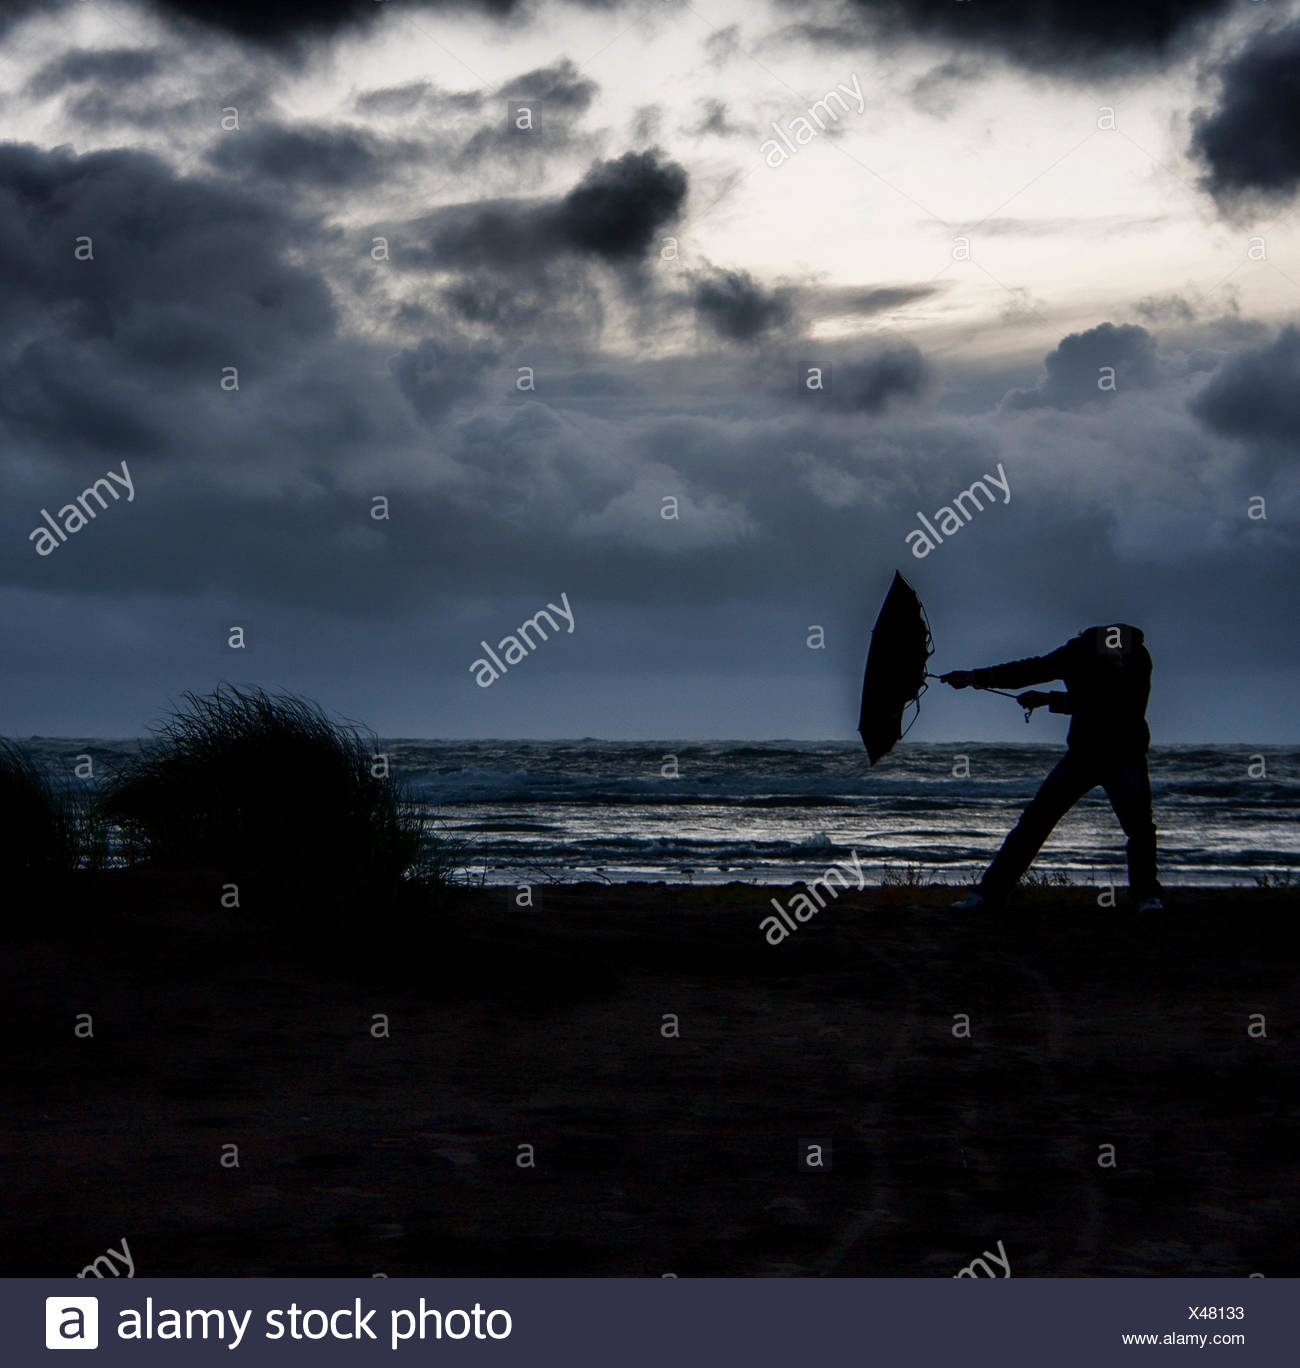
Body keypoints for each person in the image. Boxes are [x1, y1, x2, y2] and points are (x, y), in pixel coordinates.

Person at [940, 624, 1163, 911]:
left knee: (1139, 827)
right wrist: (975, 677)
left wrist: (1049, 699)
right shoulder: (1078, 652)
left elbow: (1119, 704)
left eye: (1119, 652)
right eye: (1110, 652)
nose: (1116, 658)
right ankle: (987, 895)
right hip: (1084, 754)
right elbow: (1030, 669)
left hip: (1125, 755)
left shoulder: (1138, 659)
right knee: (1035, 823)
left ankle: (1147, 895)